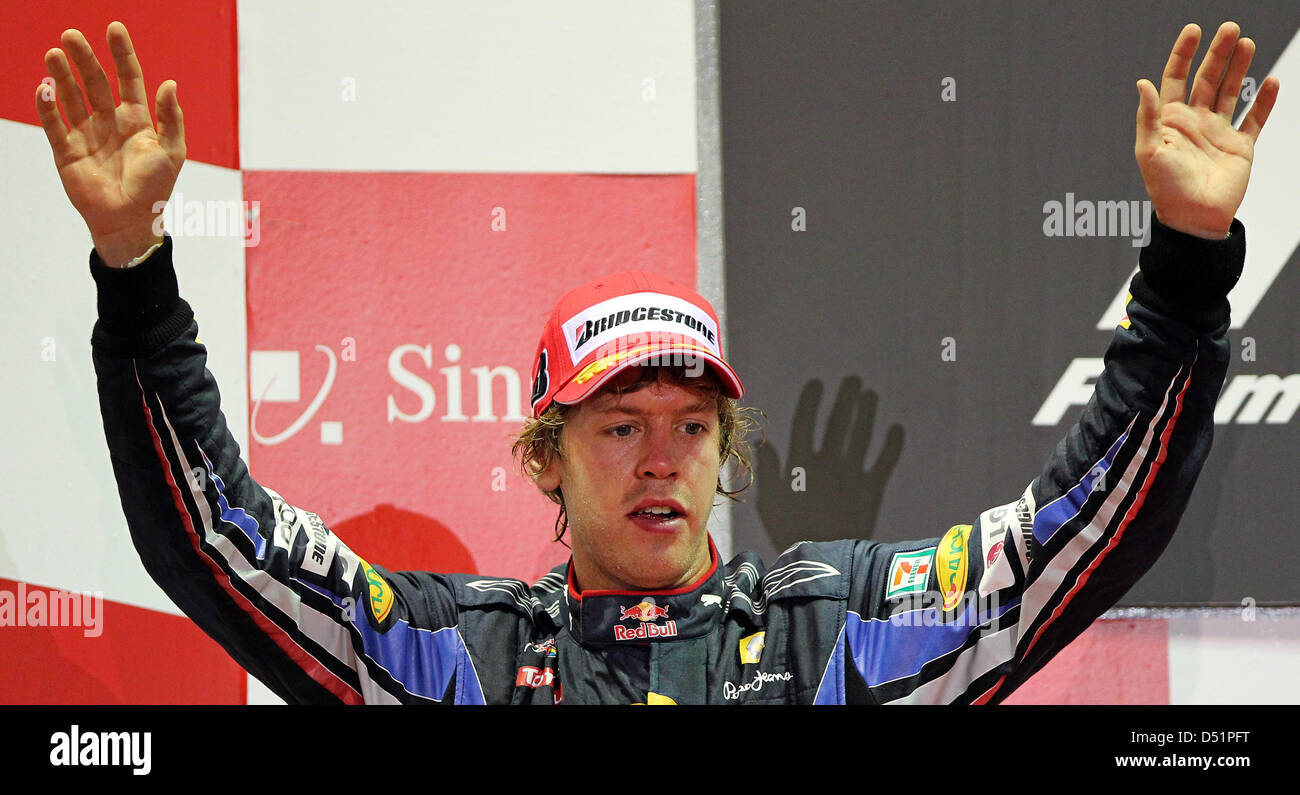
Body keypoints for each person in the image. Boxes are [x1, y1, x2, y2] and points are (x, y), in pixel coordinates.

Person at [37, 20, 1278, 704]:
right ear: (546, 457)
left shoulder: (831, 634)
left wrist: (1183, 260)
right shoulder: (453, 658)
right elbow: (216, 545)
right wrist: (134, 271)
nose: (660, 459)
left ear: (726, 452)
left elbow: (1075, 534)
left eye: (690, 425)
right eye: (618, 424)